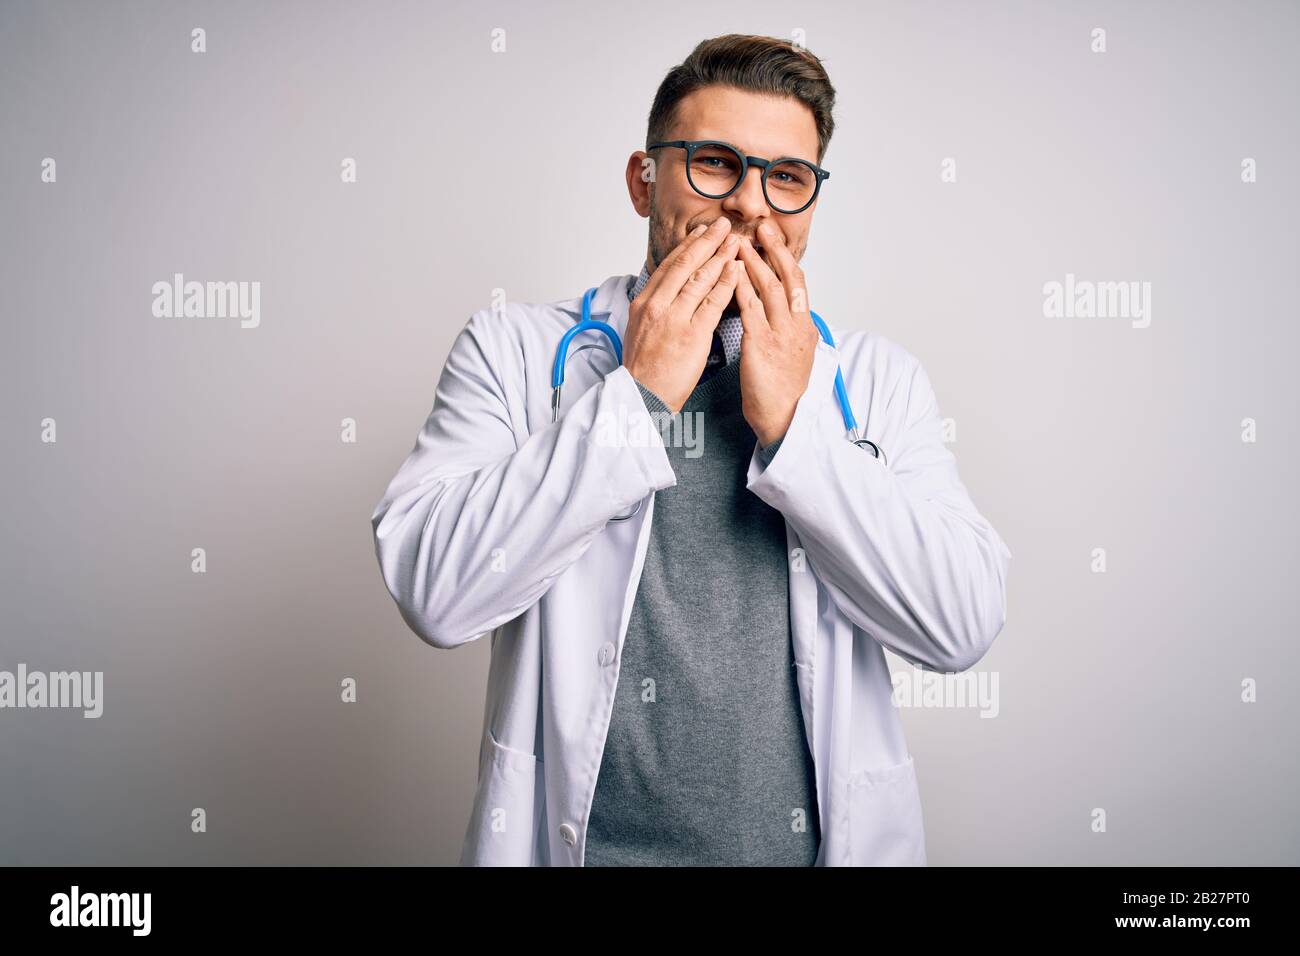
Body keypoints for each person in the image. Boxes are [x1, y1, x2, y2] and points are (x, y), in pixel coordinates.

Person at [370, 33, 1011, 866]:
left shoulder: (877, 381)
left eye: (787, 177)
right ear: (644, 182)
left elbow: (959, 626)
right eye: (715, 163)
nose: (749, 204)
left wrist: (798, 433)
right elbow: (436, 594)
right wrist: (634, 398)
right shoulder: (512, 352)